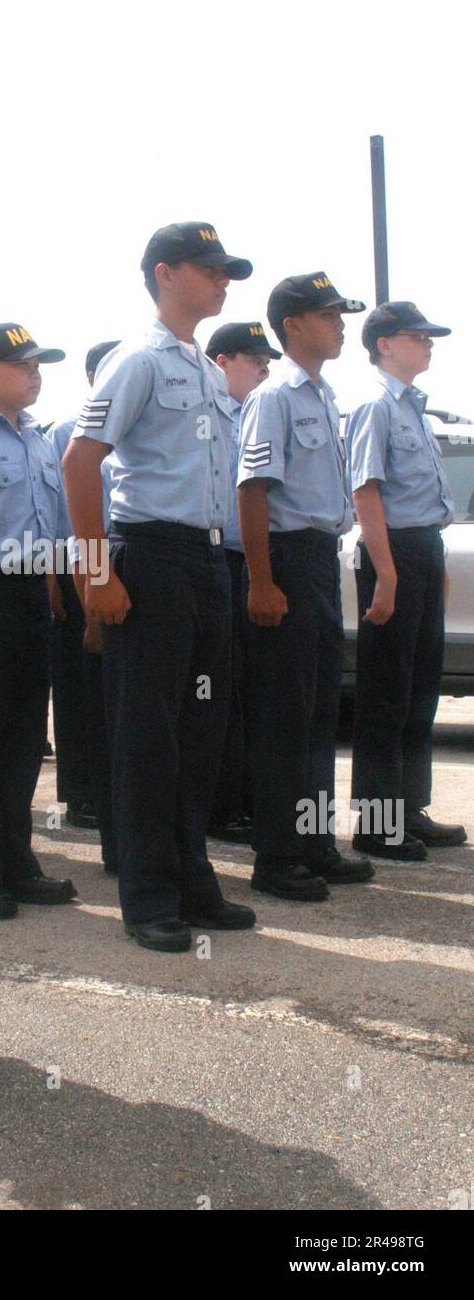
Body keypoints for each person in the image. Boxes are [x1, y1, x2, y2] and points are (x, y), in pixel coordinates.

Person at [63, 221, 257, 953]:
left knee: (199, 731)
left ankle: (191, 877)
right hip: (150, 559)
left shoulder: (207, 371)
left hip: (206, 564)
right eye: (210, 268)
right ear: (166, 273)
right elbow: (81, 463)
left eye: (226, 269)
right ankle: (147, 894)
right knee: (147, 736)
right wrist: (96, 572)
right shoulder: (135, 361)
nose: (223, 280)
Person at [237, 272, 375, 900]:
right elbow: (253, 490)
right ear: (293, 326)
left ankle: (314, 840)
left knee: (320, 709)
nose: (341, 324)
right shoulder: (276, 398)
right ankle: (277, 854)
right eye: (328, 314)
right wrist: (261, 581)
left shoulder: (322, 395)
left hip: (321, 557)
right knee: (285, 713)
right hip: (287, 559)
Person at [0, 323, 78, 919]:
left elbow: (62, 531)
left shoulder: (38, 437)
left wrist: (89, 584)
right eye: (22, 364)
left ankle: (16, 855)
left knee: (27, 733)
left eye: (39, 365)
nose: (35, 374)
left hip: (33, 591)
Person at [347, 301, 467, 857]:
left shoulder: (415, 409)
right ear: (385, 344)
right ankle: (377, 823)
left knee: (420, 690)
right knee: (386, 694)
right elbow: (366, 490)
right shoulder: (376, 407)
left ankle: (408, 808)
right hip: (393, 551)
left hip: (423, 549)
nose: (429, 344)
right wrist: (389, 574)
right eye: (418, 336)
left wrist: (430, 568)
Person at [203, 322, 279, 844]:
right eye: (255, 360)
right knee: (215, 692)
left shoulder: (254, 412)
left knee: (252, 690)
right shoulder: (202, 412)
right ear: (223, 360)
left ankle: (248, 797)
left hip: (247, 561)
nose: (265, 370)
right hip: (209, 560)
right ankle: (221, 804)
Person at [48, 339, 118, 869]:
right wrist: (70, 584)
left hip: (127, 565)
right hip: (81, 568)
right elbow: (59, 523)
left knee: (115, 692)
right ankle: (81, 792)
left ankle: (109, 787)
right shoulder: (68, 430)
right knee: (80, 689)